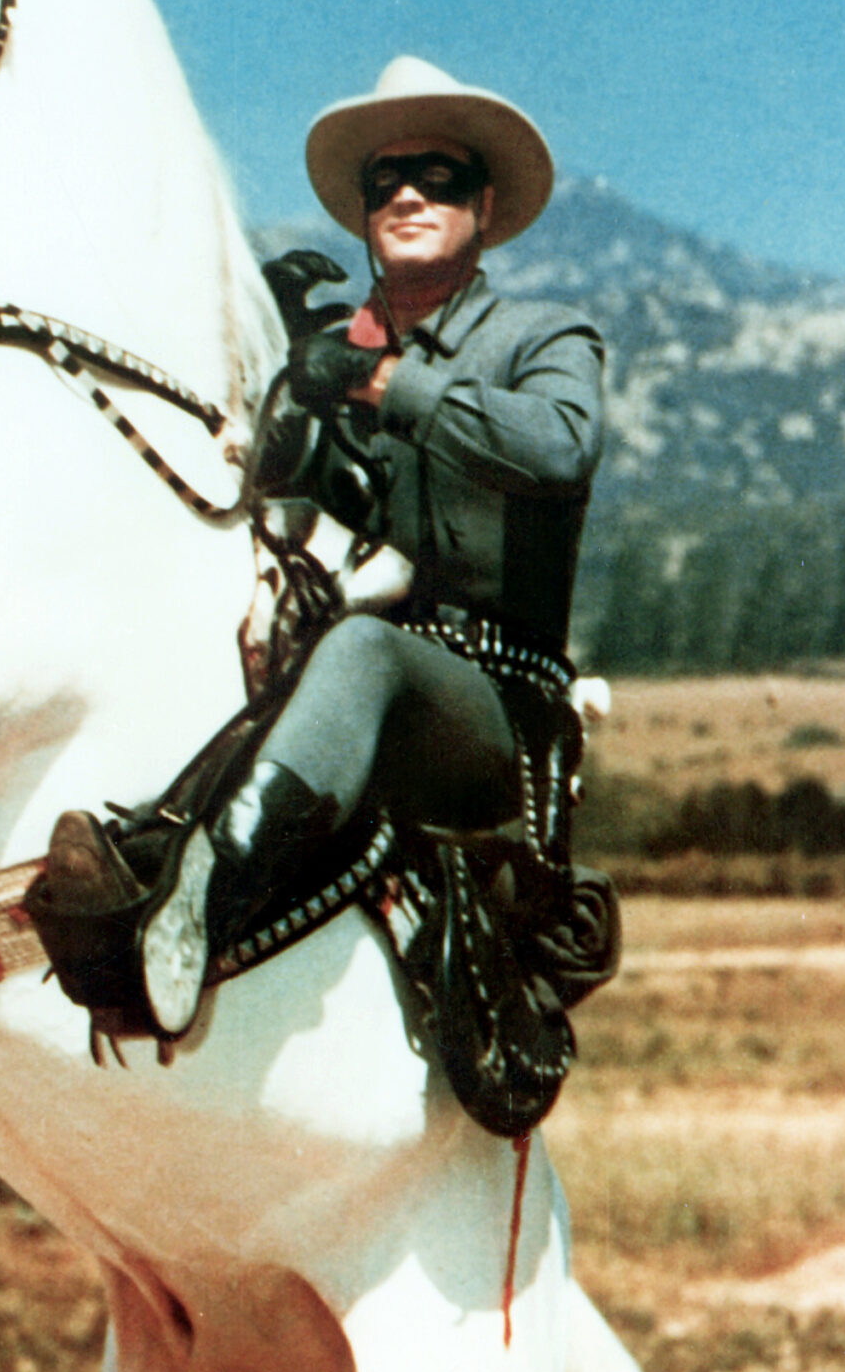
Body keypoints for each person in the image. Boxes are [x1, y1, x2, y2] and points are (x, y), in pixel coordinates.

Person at [49, 55, 608, 1042]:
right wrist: (270, 384)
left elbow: (560, 448)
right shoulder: (330, 345)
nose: (404, 194)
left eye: (435, 177)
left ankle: (196, 908)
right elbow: (264, 507)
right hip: (335, 674)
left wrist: (381, 381)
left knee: (362, 652)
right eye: (383, 179)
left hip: (491, 710)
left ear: (482, 202)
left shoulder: (541, 336)